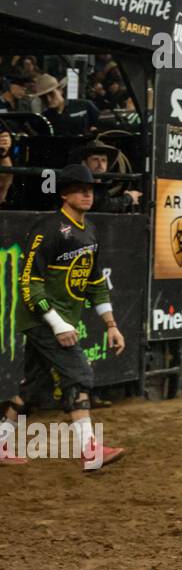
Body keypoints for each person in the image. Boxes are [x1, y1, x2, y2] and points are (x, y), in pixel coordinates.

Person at [0, 165, 126, 469]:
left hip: (61, 319)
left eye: (91, 189)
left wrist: (111, 324)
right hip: (43, 319)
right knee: (79, 376)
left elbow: (95, 282)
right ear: (64, 193)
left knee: (33, 390)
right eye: (80, 188)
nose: (87, 193)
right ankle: (90, 451)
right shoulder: (49, 229)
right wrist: (57, 323)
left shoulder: (89, 230)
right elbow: (30, 283)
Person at [77, 140, 141, 212]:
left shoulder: (101, 187)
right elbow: (103, 206)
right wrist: (129, 198)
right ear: (84, 163)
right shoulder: (79, 185)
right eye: (95, 159)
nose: (100, 164)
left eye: (103, 160)